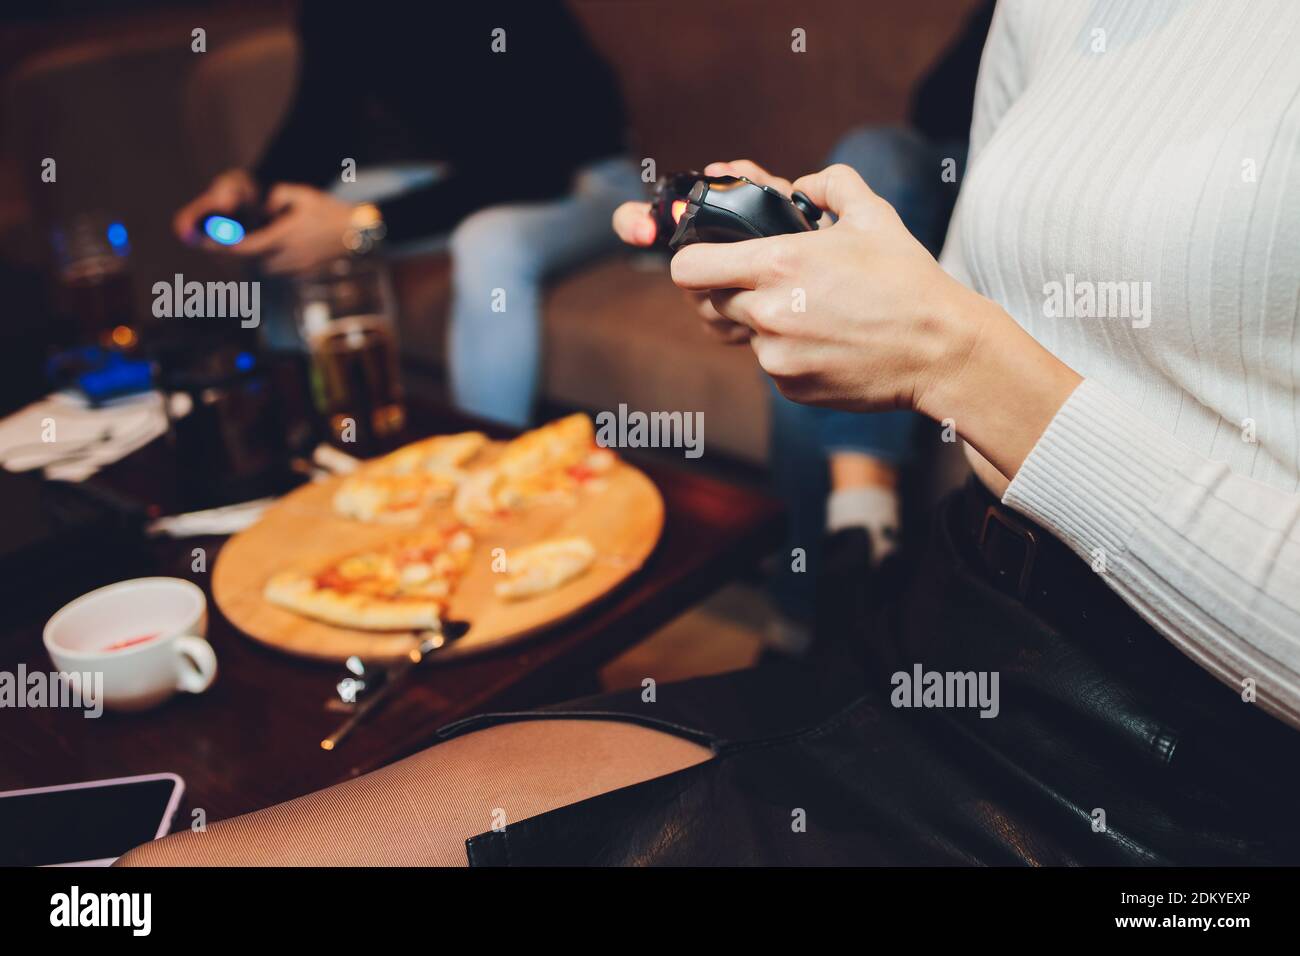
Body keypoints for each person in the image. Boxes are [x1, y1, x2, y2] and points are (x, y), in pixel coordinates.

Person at [124, 0, 1300, 866]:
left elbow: (985, 358)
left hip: (1189, 775)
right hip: (948, 633)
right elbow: (1002, 311)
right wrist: (853, 297)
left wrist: (951, 354)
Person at [174, 2, 640, 427]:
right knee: (303, 214)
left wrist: (363, 224)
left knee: (489, 240)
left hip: (586, 175)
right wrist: (251, 186)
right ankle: (301, 436)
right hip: (469, 171)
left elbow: (535, 167)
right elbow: (319, 122)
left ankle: (487, 465)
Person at [766, 2, 993, 642]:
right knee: (866, 162)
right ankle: (862, 526)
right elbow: (933, 107)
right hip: (945, 175)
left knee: (817, 309)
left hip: (1007, 197)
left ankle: (804, 609)